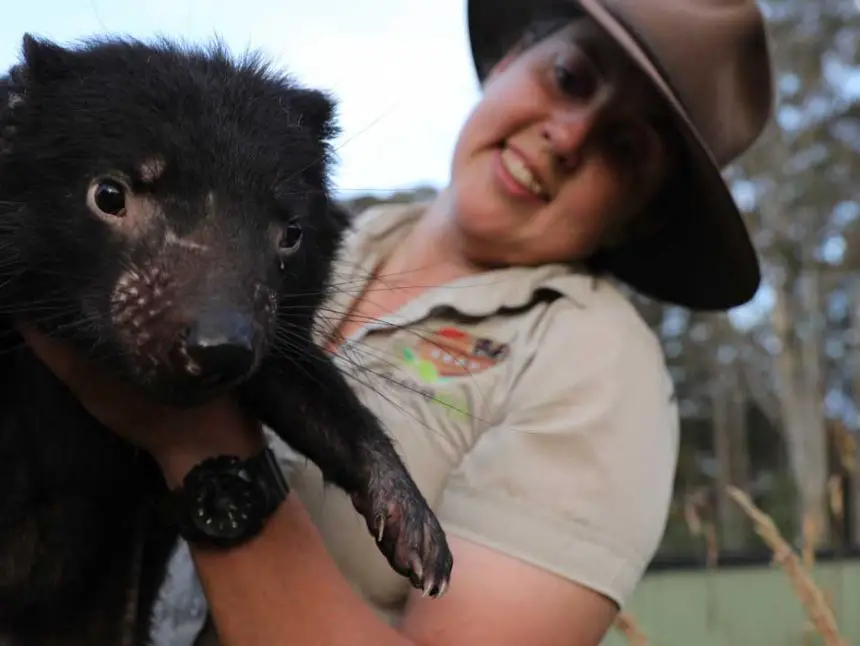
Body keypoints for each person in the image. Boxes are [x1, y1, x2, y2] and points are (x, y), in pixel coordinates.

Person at [19, 0, 775, 644]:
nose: (567, 137)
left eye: (624, 148)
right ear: (512, 56)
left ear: (641, 218)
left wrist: (196, 443)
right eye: (570, 78)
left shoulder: (595, 363)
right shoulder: (319, 226)